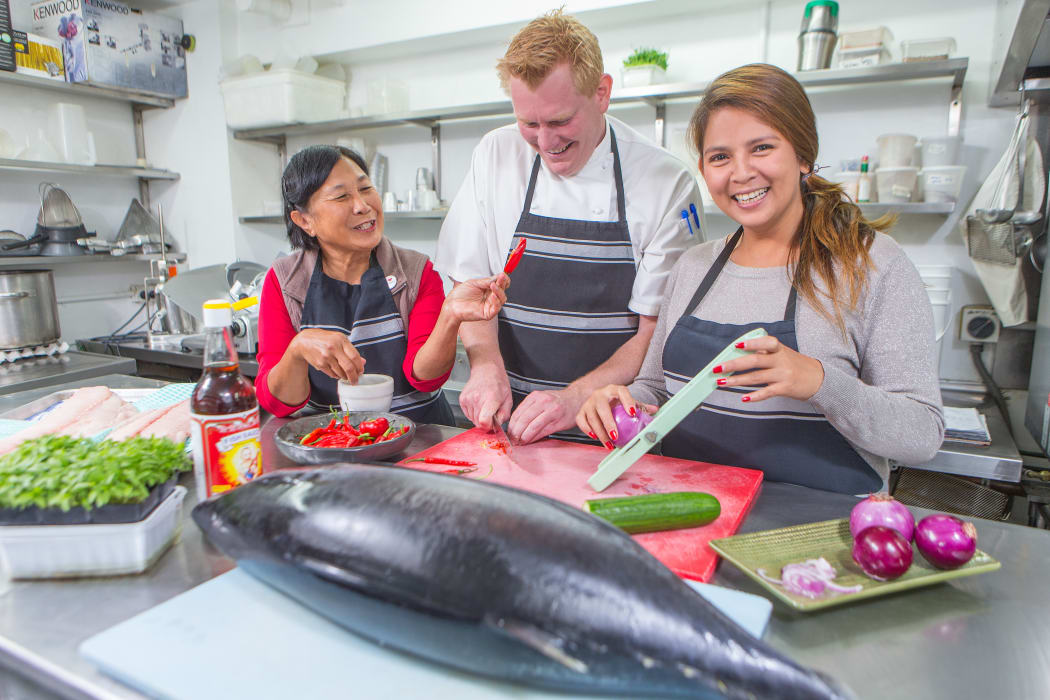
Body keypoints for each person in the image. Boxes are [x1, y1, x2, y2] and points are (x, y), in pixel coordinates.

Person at [576, 64, 944, 494]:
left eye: (762, 147)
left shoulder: (871, 263)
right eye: (720, 157)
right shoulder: (693, 268)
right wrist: (623, 402)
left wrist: (820, 383)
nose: (741, 172)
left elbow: (923, 433)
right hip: (692, 515)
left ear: (803, 155)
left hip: (822, 537)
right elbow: (656, 388)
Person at [435, 9, 701, 444]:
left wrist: (574, 399)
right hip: (510, 427)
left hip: (616, 429)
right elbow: (470, 289)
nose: (545, 143)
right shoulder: (494, 155)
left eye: (560, 121)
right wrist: (485, 366)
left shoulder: (665, 182)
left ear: (601, 93)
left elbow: (656, 334)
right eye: (529, 123)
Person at [256, 145, 508, 425]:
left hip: (419, 442)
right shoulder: (285, 281)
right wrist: (298, 350)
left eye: (366, 189)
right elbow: (278, 402)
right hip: (332, 445)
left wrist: (450, 316)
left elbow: (425, 378)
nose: (363, 206)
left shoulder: (415, 271)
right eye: (342, 196)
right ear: (304, 220)